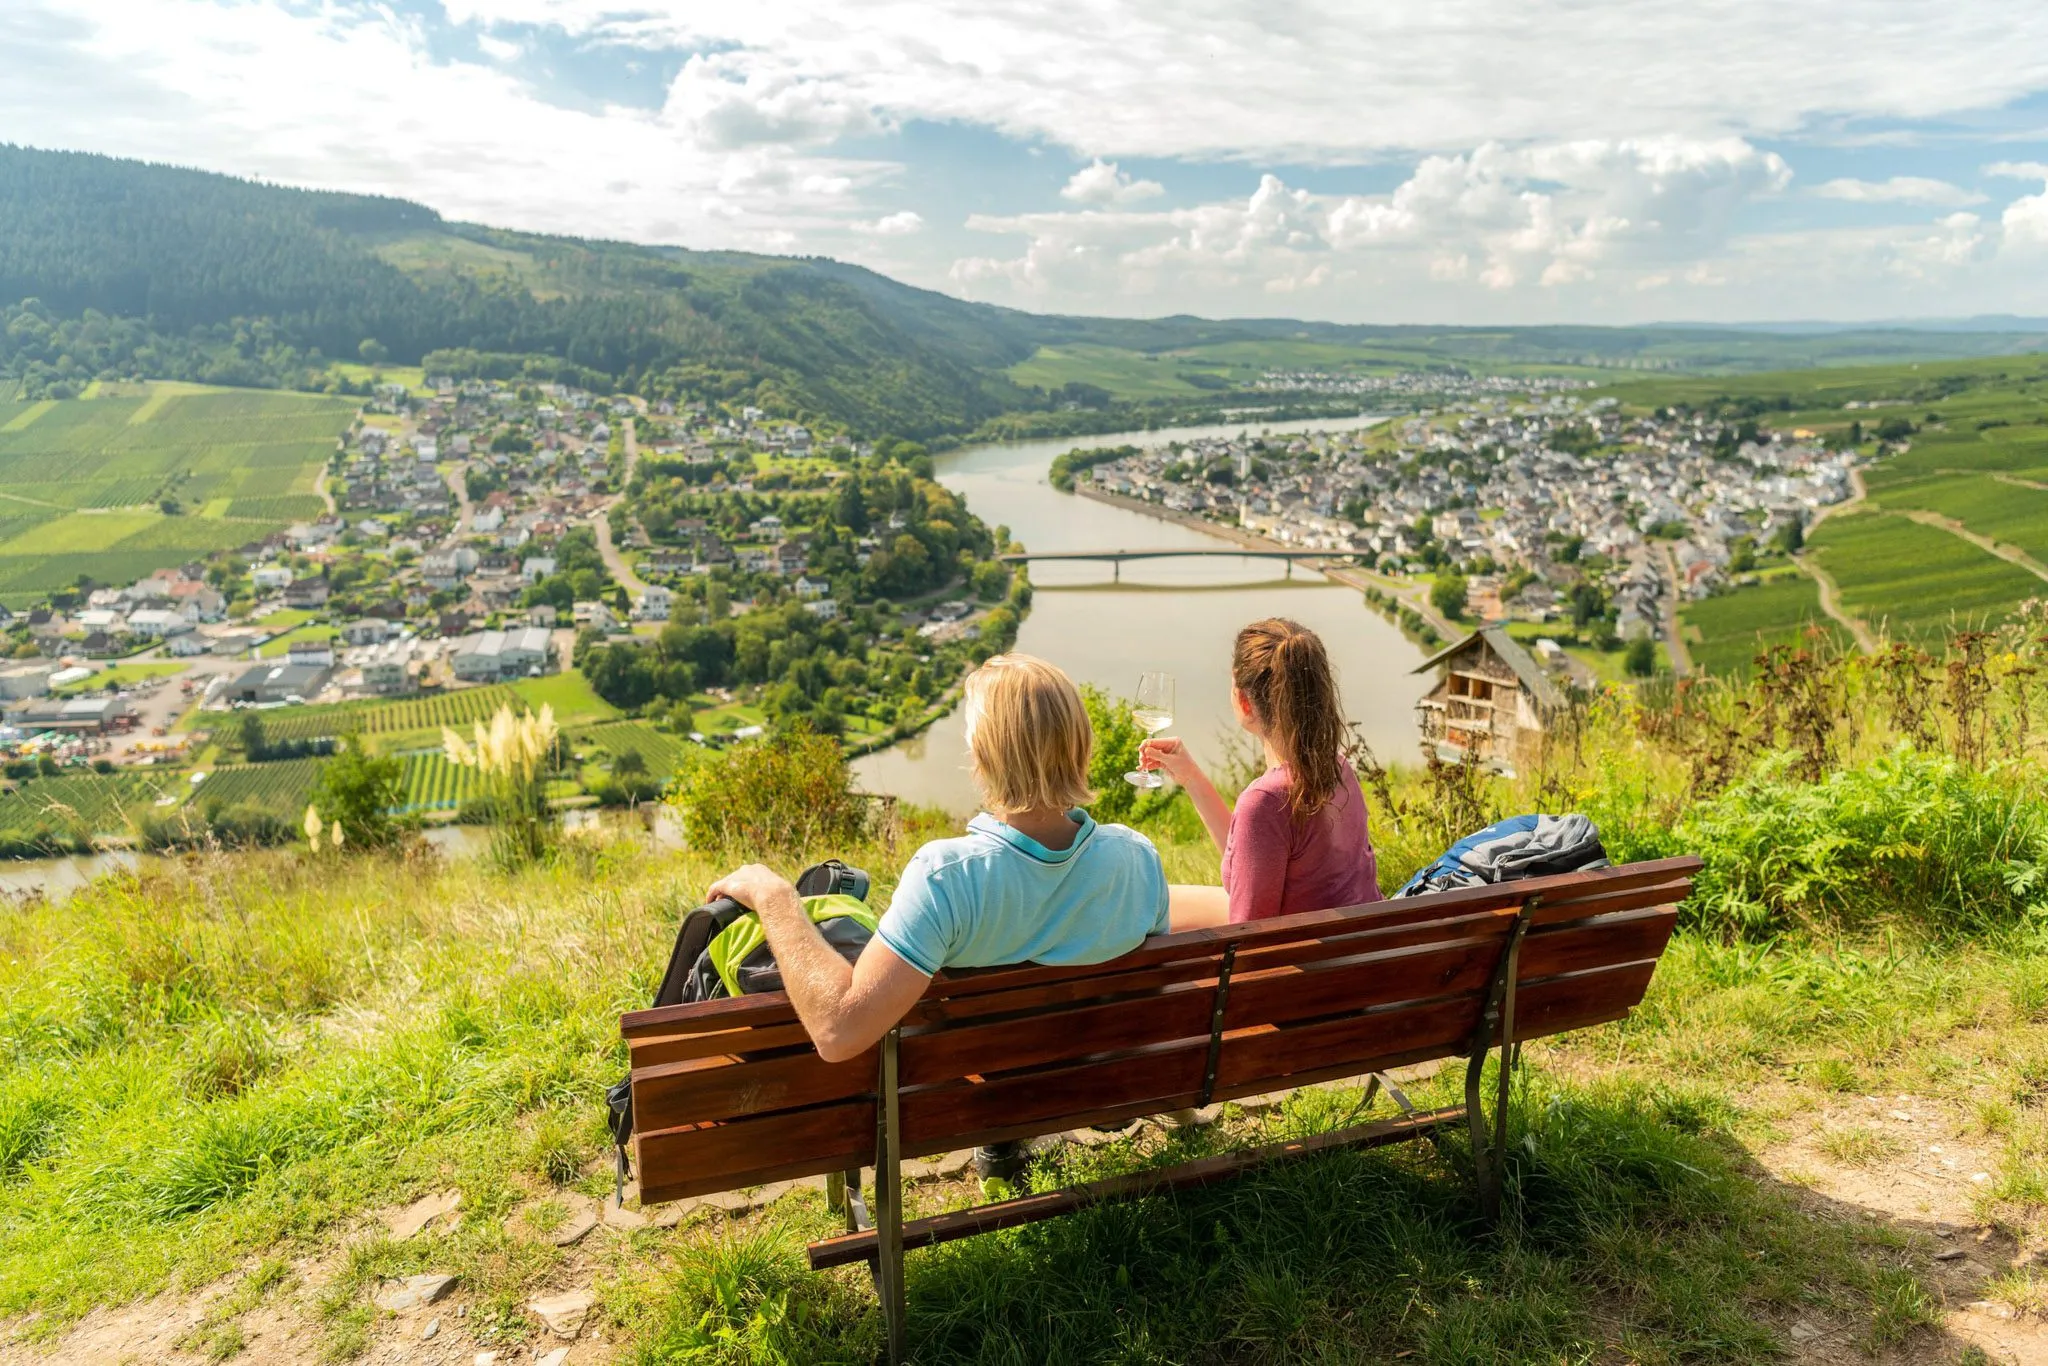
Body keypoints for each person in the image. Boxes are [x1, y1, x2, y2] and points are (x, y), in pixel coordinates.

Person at [704, 653, 1169, 1175]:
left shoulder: (948, 876)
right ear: (1079, 743)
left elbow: (839, 1031)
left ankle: (1003, 1140)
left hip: (969, 1100)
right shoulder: (1137, 859)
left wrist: (776, 898)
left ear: (986, 753)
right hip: (1097, 1086)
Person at [1143, 617, 1382, 925]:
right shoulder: (1337, 768)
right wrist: (1191, 778)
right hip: (1357, 949)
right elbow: (1255, 849)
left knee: (1150, 907)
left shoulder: (1267, 801)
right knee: (1167, 900)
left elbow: (1248, 940)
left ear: (1244, 701)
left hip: (1303, 964)